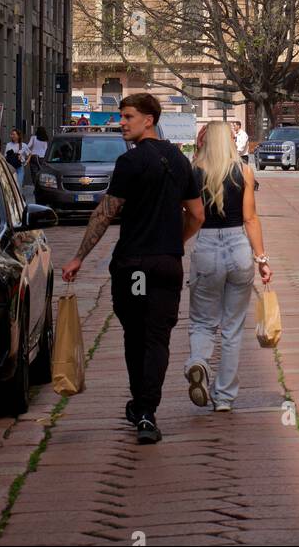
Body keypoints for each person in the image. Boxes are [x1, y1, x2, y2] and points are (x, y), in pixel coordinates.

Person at [62, 93, 203, 445]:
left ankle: (141, 406)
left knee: (135, 335)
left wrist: (79, 256)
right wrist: (174, 243)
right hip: (166, 264)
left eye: (127, 117)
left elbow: (105, 213)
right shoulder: (180, 160)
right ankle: (146, 410)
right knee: (157, 339)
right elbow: (197, 215)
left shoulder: (131, 162)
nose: (121, 123)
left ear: (148, 120)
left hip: (133, 267)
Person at [185, 121, 271, 412]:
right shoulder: (244, 171)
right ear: (230, 141)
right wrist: (262, 260)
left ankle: (198, 361)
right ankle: (224, 397)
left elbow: (189, 215)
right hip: (238, 248)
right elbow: (251, 218)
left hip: (207, 246)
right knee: (233, 328)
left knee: (202, 321)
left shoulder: (193, 172)